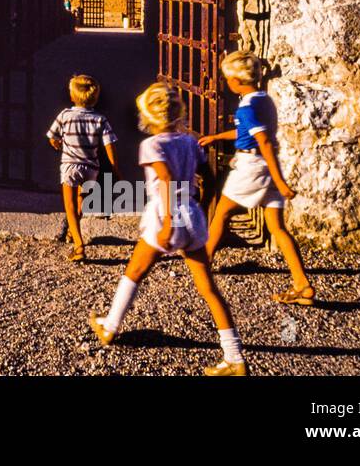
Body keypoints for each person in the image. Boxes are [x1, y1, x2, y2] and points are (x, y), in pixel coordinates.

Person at [89, 82, 248, 376]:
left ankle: (110, 326)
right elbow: (209, 177)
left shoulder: (151, 145)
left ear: (147, 116)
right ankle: (234, 356)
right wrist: (202, 206)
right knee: (209, 288)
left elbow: (164, 179)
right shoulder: (189, 141)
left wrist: (168, 223)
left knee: (134, 273)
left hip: (165, 217)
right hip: (191, 215)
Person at [202, 50, 314, 306]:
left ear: (236, 82)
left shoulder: (246, 108)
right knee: (277, 227)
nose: (226, 83)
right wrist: (218, 137)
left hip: (251, 166)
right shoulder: (264, 100)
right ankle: (302, 284)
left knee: (222, 213)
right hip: (267, 165)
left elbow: (261, 140)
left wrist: (282, 182)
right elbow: (251, 133)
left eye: (227, 79)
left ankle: (204, 263)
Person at [46, 75, 118, 263]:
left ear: (72, 96)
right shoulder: (100, 119)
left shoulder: (64, 115)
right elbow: (109, 144)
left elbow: (52, 137)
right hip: (90, 168)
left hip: (70, 166)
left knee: (69, 206)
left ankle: (79, 245)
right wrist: (114, 168)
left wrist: (57, 144)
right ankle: (72, 230)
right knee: (80, 204)